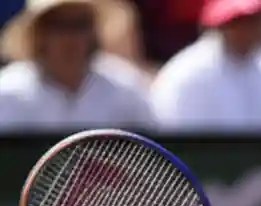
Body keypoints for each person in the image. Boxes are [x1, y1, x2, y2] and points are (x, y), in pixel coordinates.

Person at [148, 0, 261, 132]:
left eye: (253, 20)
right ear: (219, 25)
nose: (246, 30)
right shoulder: (184, 76)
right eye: (237, 22)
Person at [0, 0, 152, 131]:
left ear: (94, 33)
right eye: (59, 25)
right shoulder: (8, 93)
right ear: (38, 34)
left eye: (80, 25)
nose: (70, 37)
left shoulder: (126, 88)